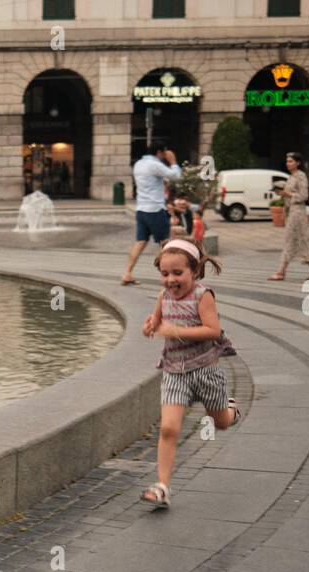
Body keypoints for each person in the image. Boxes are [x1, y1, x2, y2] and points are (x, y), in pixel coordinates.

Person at [139, 239, 238, 509]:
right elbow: (156, 323)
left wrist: (177, 331)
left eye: (177, 273)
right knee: (168, 428)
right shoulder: (163, 297)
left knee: (221, 422)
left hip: (206, 371)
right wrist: (149, 327)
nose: (170, 279)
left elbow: (213, 330)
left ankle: (231, 410)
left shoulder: (203, 296)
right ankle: (162, 486)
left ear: (194, 271)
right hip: (174, 372)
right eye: (164, 273)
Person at [121, 140, 182, 286]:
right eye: (164, 152)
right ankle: (167, 277)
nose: (165, 155)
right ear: (159, 152)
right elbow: (176, 176)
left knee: (140, 241)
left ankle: (127, 273)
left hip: (141, 209)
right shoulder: (155, 165)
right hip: (155, 209)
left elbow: (160, 179)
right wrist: (173, 161)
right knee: (165, 243)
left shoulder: (138, 164)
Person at [269, 152, 309, 280]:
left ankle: (281, 272)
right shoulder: (292, 176)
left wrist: (287, 194)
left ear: (298, 163)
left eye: (291, 161)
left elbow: (304, 196)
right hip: (291, 211)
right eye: (287, 161)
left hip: (298, 212)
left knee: (292, 240)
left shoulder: (301, 176)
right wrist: (282, 194)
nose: (288, 163)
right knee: (297, 240)